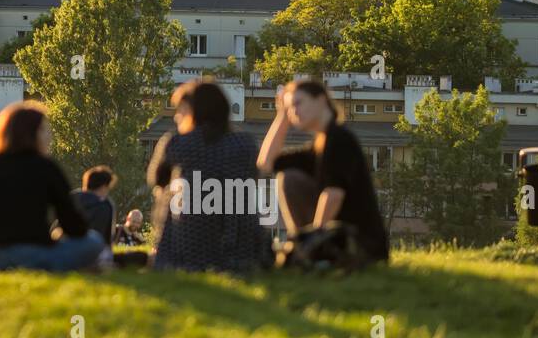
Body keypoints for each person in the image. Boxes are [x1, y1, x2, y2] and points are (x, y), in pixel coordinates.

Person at [257, 80, 389, 264]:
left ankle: (309, 252)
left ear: (320, 100)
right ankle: (308, 249)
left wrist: (312, 243)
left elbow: (333, 195)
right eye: (289, 108)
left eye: (298, 103)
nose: (293, 111)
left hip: (362, 247)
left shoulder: (339, 138)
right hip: (340, 239)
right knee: (289, 178)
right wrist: (282, 117)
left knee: (291, 179)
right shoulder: (318, 146)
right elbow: (266, 163)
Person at [148, 79, 270, 272]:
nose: (176, 117)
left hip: (191, 248)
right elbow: (254, 176)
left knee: (168, 191)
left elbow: (156, 179)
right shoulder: (246, 143)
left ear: (192, 111)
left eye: (181, 110)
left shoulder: (179, 142)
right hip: (243, 248)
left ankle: (164, 251)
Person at [0, 101, 104, 272]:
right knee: (93, 241)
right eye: (45, 129)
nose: (49, 136)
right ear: (34, 133)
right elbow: (74, 225)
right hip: (33, 253)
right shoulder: (45, 166)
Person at [66, 165, 116, 245]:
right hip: (87, 250)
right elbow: (104, 239)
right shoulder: (104, 205)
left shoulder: (71, 198)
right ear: (104, 187)